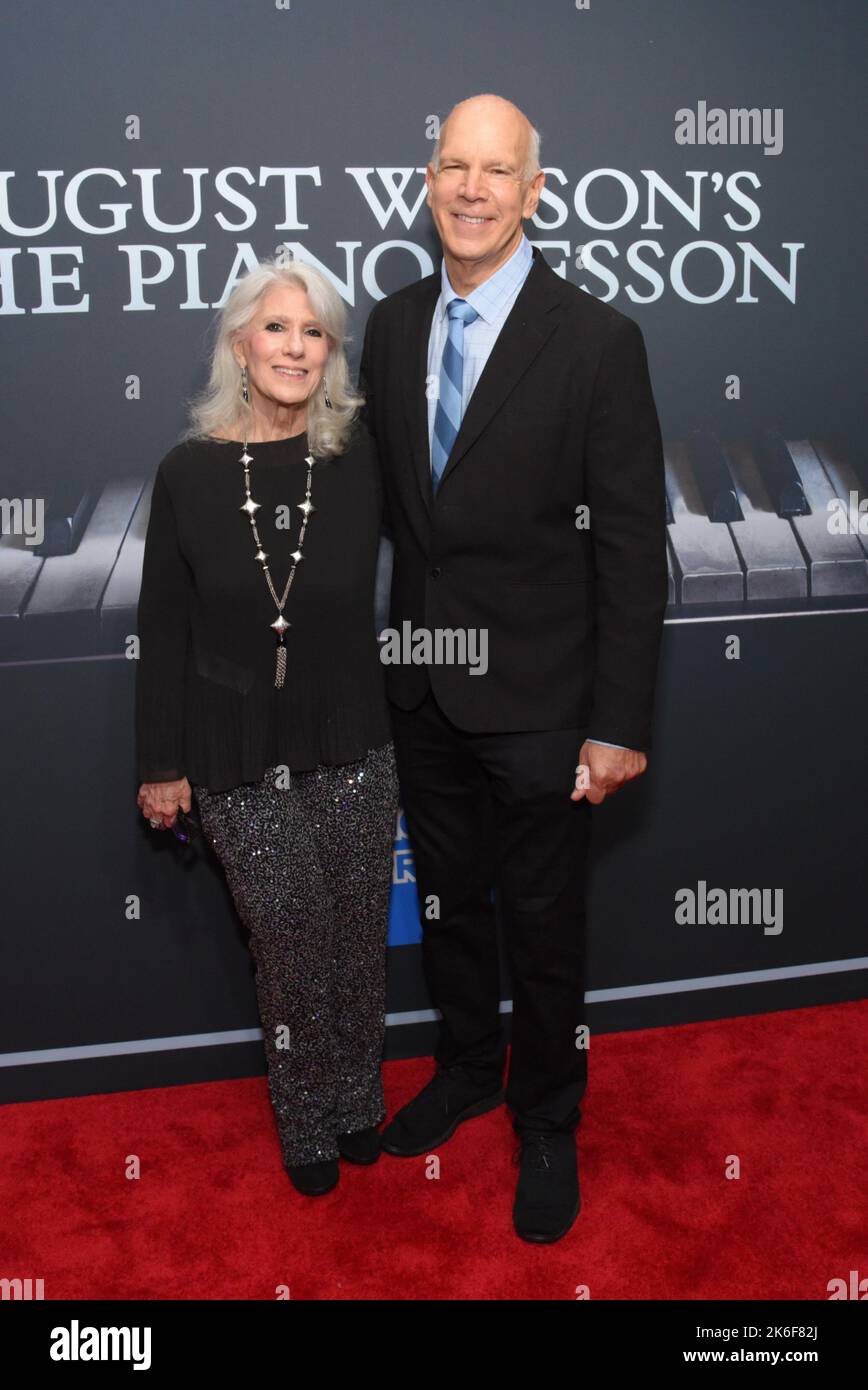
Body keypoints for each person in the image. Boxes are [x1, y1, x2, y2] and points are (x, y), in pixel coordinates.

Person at [359, 94, 668, 1242]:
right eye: (453, 167)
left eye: (497, 171)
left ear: (535, 191)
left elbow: (634, 546)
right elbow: (388, 513)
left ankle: (546, 1113)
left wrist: (618, 718)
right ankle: (470, 1066)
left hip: (545, 700)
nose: (472, 189)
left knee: (540, 923)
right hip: (424, 685)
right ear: (429, 181)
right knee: (447, 910)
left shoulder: (596, 339)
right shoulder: (391, 327)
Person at [135, 256, 398, 1197]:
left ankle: (358, 1099)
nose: (295, 347)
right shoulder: (188, 473)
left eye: (315, 331)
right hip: (235, 751)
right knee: (291, 933)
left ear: (332, 352)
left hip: (353, 738)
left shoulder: (359, 453)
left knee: (359, 932)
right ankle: (307, 1116)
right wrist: (161, 764)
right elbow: (161, 628)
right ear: (240, 345)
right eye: (277, 328)